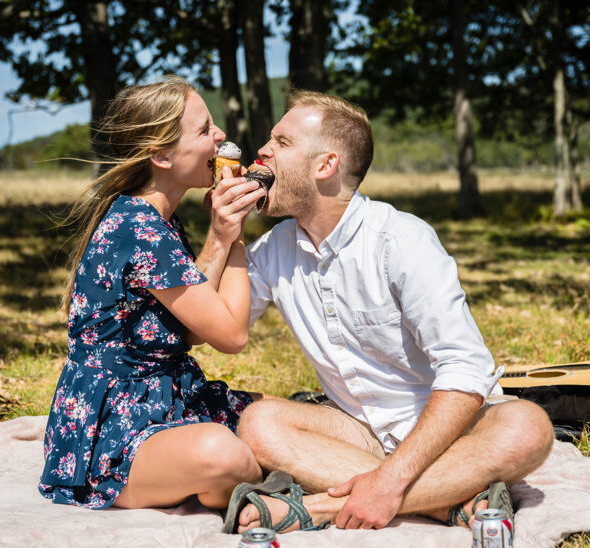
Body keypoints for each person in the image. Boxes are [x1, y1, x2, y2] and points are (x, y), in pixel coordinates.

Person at [230, 91, 555, 533]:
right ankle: (447, 504)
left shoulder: (401, 239)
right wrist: (222, 234)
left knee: (528, 428)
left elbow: (465, 371)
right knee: (257, 424)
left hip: (444, 435)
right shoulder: (272, 250)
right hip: (356, 433)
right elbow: (216, 328)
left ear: (325, 166)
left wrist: (391, 477)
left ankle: (324, 507)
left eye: (282, 142)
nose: (261, 152)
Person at [39, 76, 268, 511]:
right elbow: (232, 336)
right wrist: (231, 235)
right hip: (110, 433)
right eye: (204, 130)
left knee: (275, 421)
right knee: (226, 453)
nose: (220, 136)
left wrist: (219, 238)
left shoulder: (154, 219)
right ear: (160, 154)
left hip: (165, 395)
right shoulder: (141, 229)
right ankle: (258, 493)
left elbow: (192, 330)